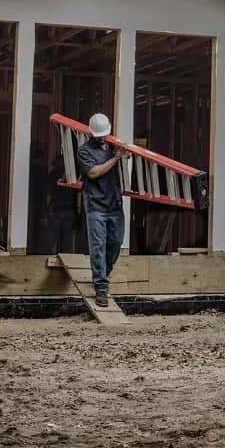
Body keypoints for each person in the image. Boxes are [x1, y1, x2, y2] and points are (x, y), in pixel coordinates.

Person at [76, 113, 128, 307]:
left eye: (104, 135)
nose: (101, 138)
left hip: (115, 204)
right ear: (91, 133)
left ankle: (103, 274)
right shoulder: (84, 151)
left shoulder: (112, 146)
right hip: (96, 205)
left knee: (116, 243)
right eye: (98, 136)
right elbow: (93, 173)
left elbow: (126, 157)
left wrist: (125, 155)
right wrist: (116, 158)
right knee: (98, 246)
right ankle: (101, 288)